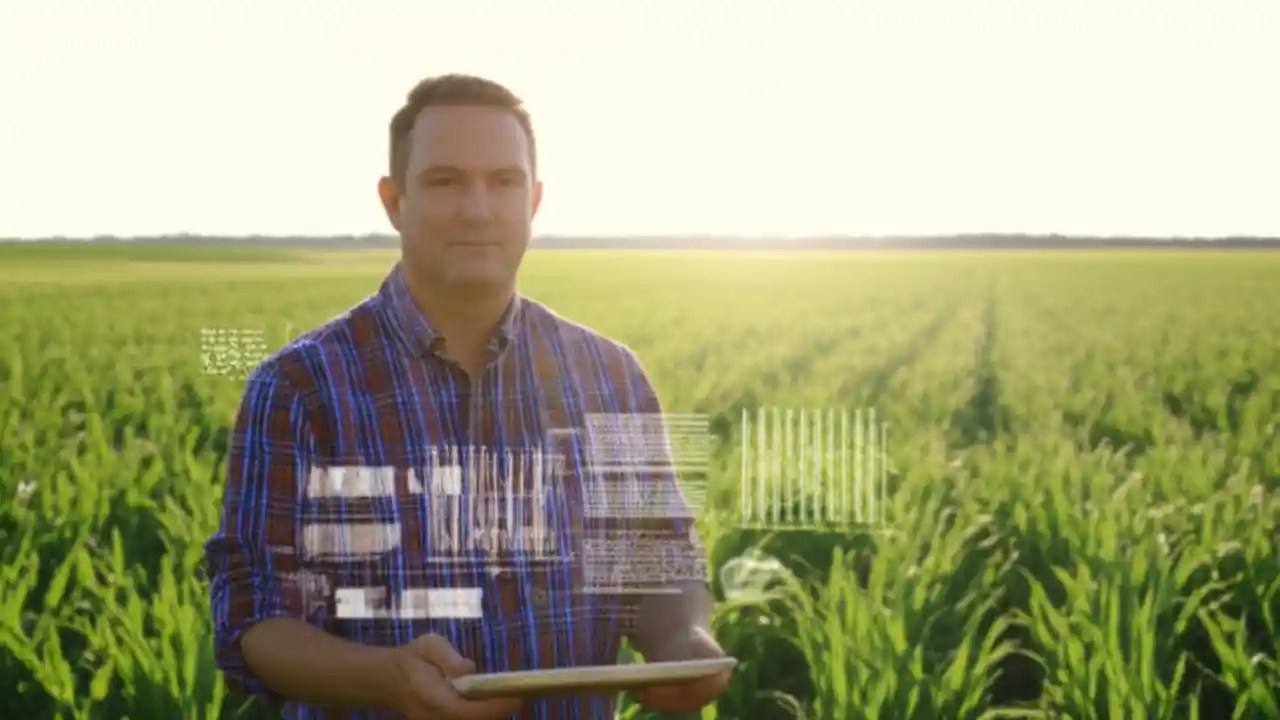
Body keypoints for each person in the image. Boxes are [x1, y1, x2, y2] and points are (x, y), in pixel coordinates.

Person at [203, 73, 730, 720]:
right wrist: (384, 679)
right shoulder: (298, 389)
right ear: (393, 202)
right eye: (446, 181)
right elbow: (255, 617)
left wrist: (686, 644)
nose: (478, 208)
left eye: (503, 181)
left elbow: (657, 563)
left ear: (534, 200)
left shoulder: (611, 378)